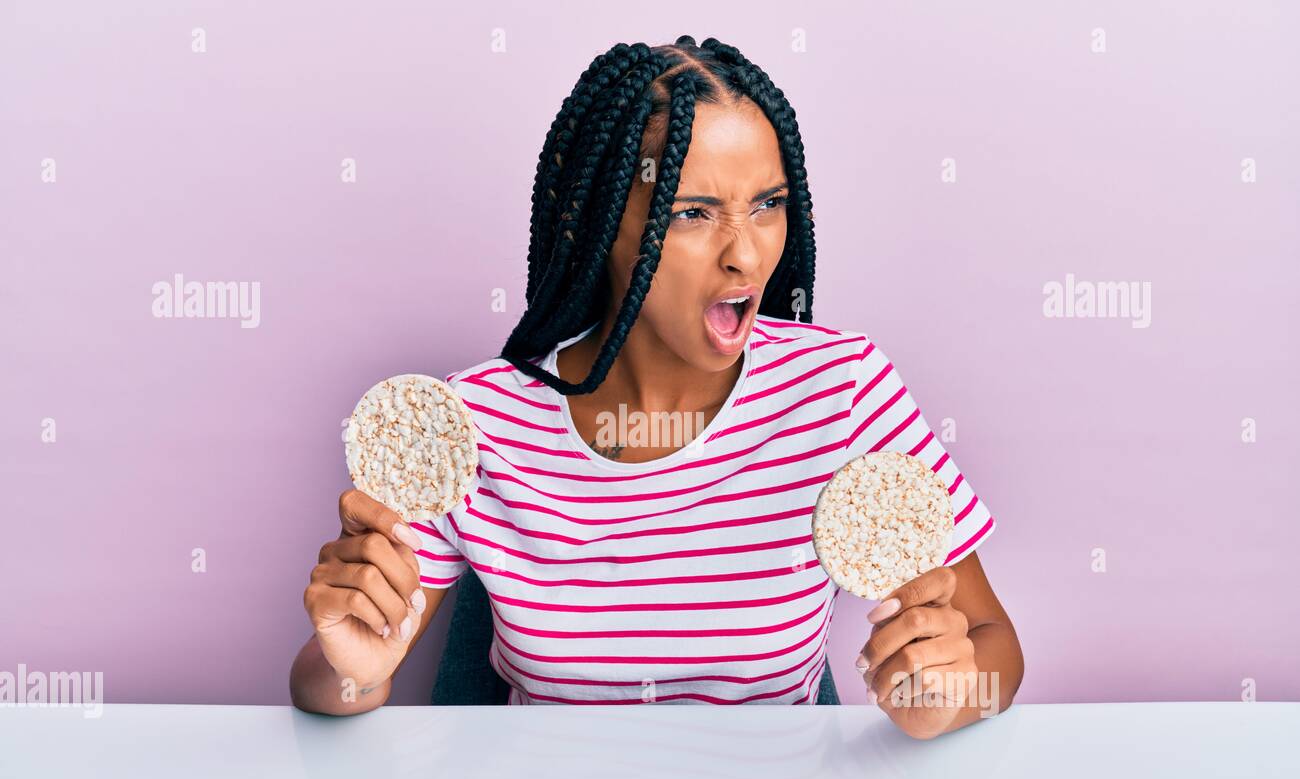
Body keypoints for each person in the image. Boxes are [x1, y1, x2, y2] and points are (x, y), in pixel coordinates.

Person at [291, 36, 1022, 737]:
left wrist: (950, 696)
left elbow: (994, 644)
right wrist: (350, 668)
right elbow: (328, 687)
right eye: (693, 214)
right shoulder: (476, 423)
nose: (745, 256)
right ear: (595, 221)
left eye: (767, 204)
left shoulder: (841, 393)